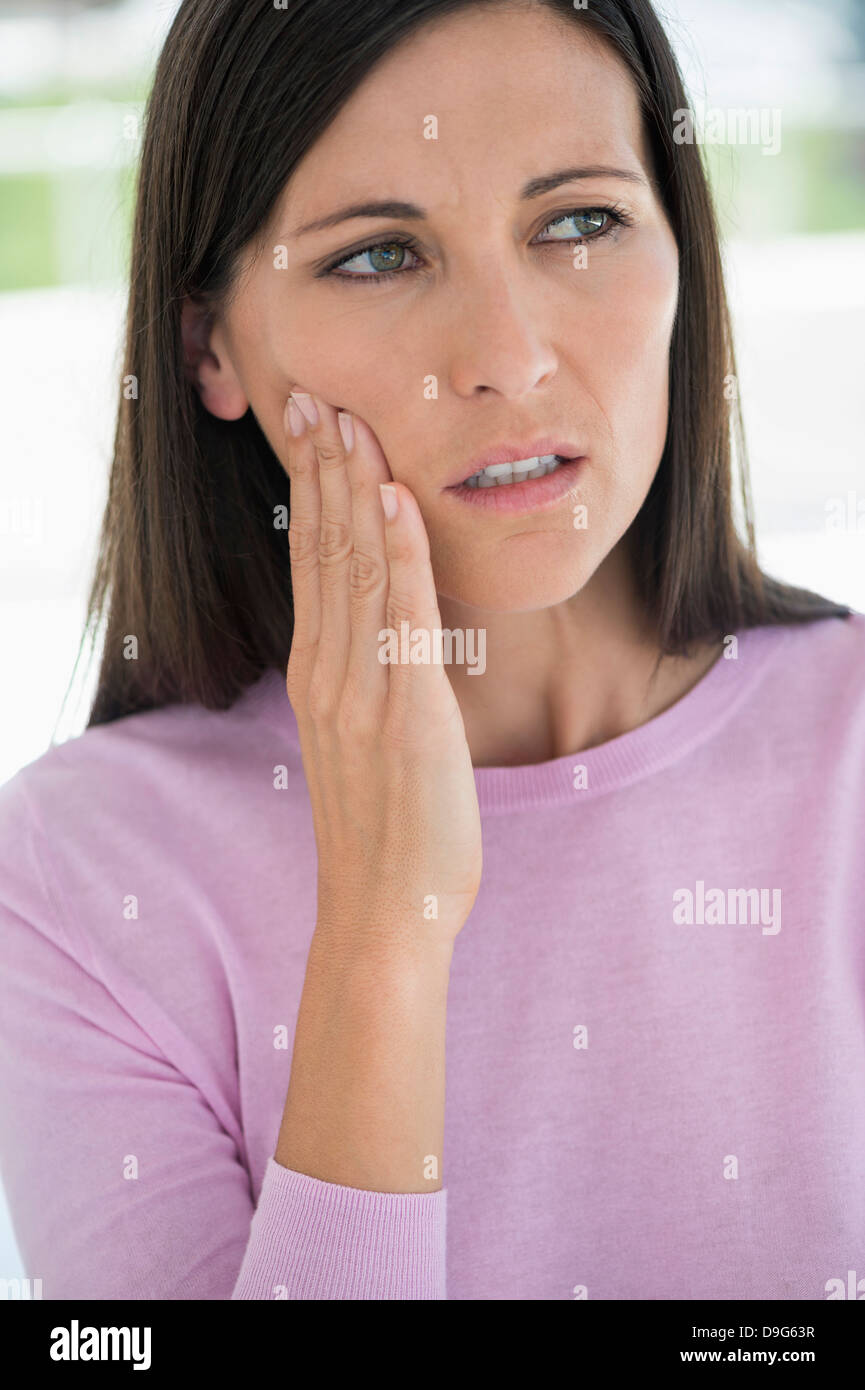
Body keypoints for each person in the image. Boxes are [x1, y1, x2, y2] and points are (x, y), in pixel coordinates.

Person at [0, 0, 861, 1301]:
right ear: (208, 346)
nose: (508, 360)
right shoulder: (73, 882)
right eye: (378, 255)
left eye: (578, 222)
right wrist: (382, 928)